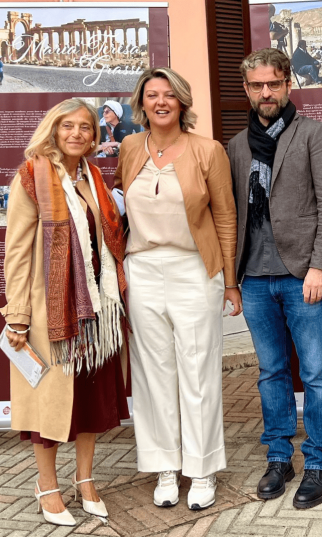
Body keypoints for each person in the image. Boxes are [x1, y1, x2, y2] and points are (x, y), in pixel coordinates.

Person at [116, 68, 240, 511]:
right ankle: (165, 466)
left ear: (183, 102)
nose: (161, 102)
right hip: (142, 270)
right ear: (141, 103)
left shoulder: (208, 150)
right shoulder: (130, 148)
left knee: (198, 371)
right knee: (153, 375)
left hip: (194, 269)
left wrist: (229, 280)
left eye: (169, 95)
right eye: (152, 95)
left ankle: (202, 469)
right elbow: (120, 207)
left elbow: (225, 215)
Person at [0, 98, 129, 526]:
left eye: (85, 127)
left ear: (94, 136)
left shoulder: (93, 177)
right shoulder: (30, 176)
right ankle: (47, 485)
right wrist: (17, 315)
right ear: (53, 131)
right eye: (67, 126)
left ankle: (85, 479)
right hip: (50, 310)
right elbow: (17, 251)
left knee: (91, 398)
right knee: (50, 402)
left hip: (97, 310)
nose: (76, 133)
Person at [227, 48, 322, 509]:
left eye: (273, 83)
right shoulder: (237, 146)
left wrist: (321, 265)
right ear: (247, 90)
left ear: (288, 85)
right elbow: (231, 215)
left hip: (302, 276)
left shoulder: (314, 134)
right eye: (257, 85)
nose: (266, 92)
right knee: (271, 372)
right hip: (254, 279)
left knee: (316, 373)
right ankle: (279, 457)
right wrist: (231, 279)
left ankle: (319, 463)